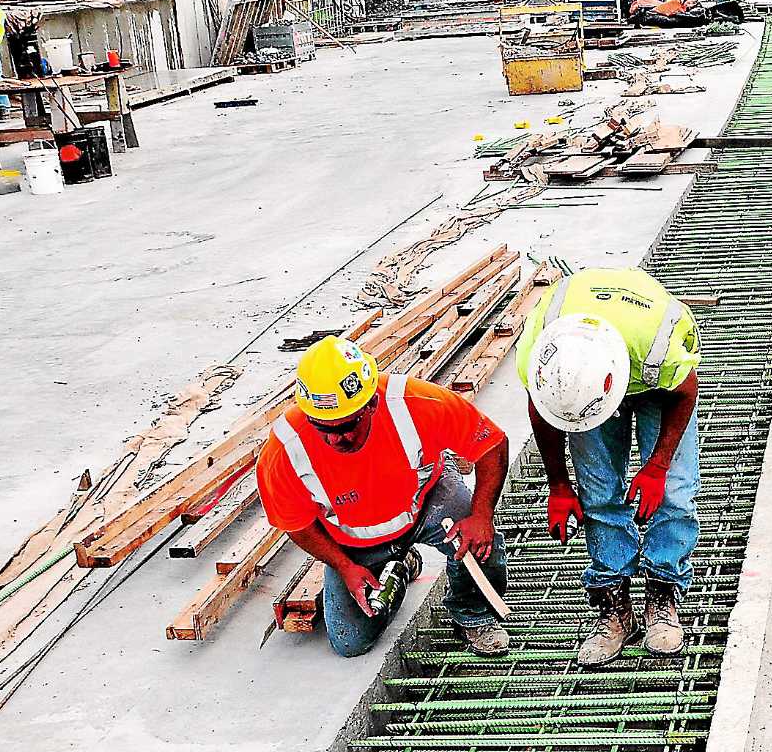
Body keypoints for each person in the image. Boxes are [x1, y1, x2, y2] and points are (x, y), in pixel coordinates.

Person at [256, 336, 512, 657]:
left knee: (480, 545)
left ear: (372, 403)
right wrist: (344, 566)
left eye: (348, 424)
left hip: (427, 502)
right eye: (323, 427)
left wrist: (481, 516)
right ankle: (402, 567)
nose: (337, 438)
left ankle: (473, 615)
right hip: (354, 543)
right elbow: (295, 525)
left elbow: (491, 443)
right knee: (350, 642)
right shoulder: (284, 452)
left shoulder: (416, 403)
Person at [518, 267, 700, 666]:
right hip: (587, 366)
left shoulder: (656, 346)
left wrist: (657, 467)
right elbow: (542, 412)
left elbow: (686, 391)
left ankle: (664, 591)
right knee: (598, 494)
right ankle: (613, 604)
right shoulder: (543, 356)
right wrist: (559, 486)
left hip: (655, 381)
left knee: (675, 493)